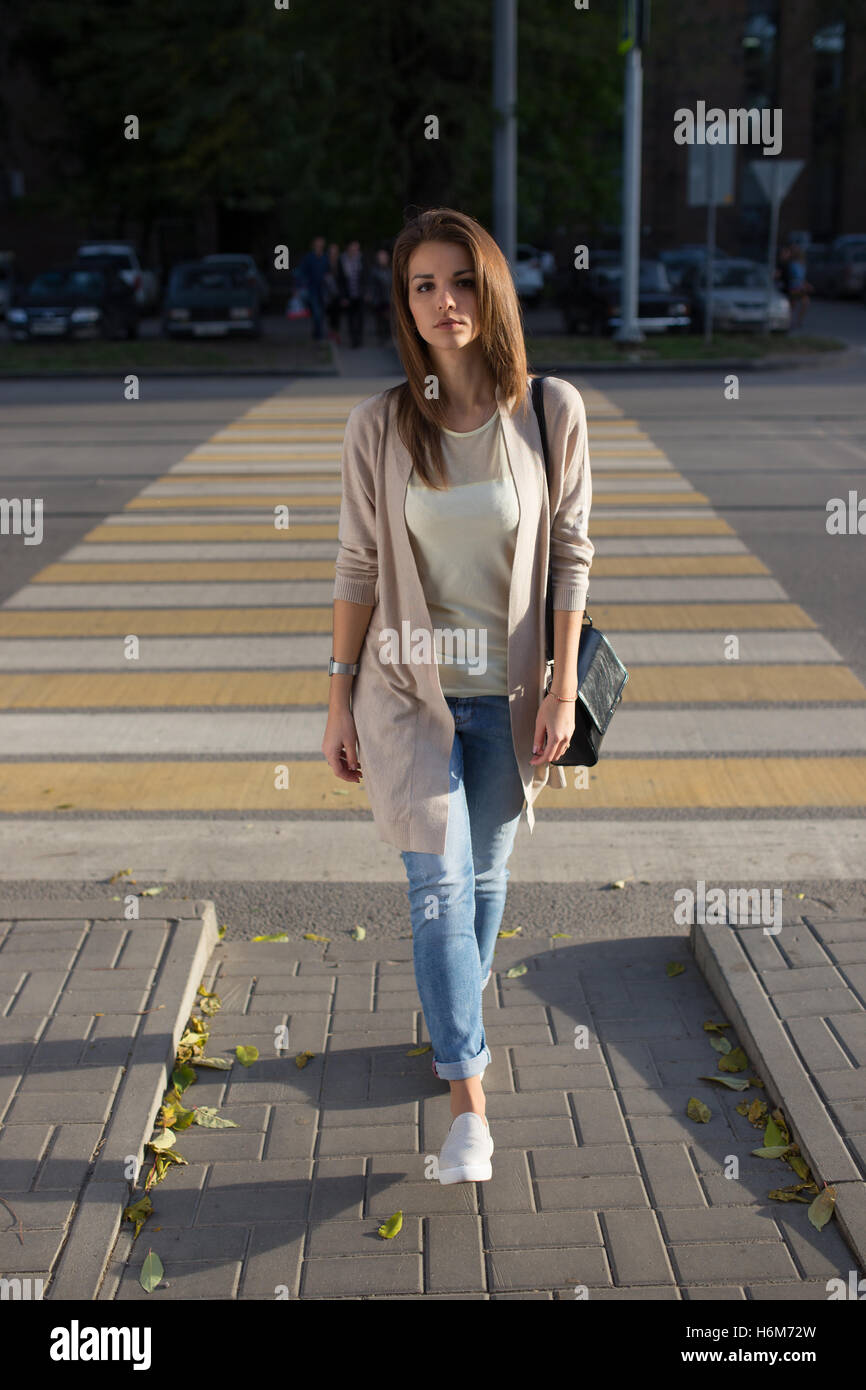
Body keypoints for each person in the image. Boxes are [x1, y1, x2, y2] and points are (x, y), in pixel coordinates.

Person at [321, 207, 594, 1185]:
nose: (443, 302)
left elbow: (569, 557)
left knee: (480, 886)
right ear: (403, 304)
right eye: (422, 287)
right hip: (406, 698)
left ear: (491, 290)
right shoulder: (379, 425)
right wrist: (337, 696)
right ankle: (466, 1099)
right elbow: (356, 567)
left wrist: (562, 687)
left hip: (513, 697)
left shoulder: (547, 413)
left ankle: (453, 1010)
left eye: (460, 281)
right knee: (435, 888)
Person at [295, 235, 329, 340]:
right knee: (316, 311)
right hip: (312, 289)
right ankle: (319, 335)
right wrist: (298, 287)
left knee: (321, 312)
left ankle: (317, 331)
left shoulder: (325, 257)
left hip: (323, 289)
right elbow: (301, 272)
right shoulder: (309, 258)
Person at [337, 239, 367, 347]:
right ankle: (353, 339)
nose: (355, 250)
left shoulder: (361, 259)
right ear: (349, 248)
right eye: (354, 247)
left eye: (357, 247)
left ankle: (359, 338)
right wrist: (343, 296)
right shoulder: (342, 260)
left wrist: (366, 292)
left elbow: (365, 276)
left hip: (359, 293)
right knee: (350, 318)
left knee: (360, 317)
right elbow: (340, 280)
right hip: (348, 293)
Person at [367, 247, 393, 345]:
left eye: (384, 257)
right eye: (380, 257)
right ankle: (382, 337)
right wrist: (370, 295)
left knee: (387, 319)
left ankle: (387, 335)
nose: (382, 259)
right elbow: (371, 285)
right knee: (379, 319)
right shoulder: (374, 271)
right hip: (378, 299)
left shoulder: (390, 270)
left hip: (388, 299)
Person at [787, 245, 812, 329]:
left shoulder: (802, 265)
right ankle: (789, 321)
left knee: (805, 303)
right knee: (792, 305)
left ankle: (799, 321)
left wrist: (806, 284)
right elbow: (792, 277)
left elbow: (802, 278)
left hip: (800, 287)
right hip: (794, 287)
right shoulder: (792, 264)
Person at [323, 242, 343, 343]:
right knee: (330, 315)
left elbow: (343, 279)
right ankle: (332, 333)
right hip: (328, 294)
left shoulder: (340, 263)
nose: (333, 254)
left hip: (337, 294)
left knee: (337, 315)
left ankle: (336, 333)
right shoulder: (325, 263)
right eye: (332, 252)